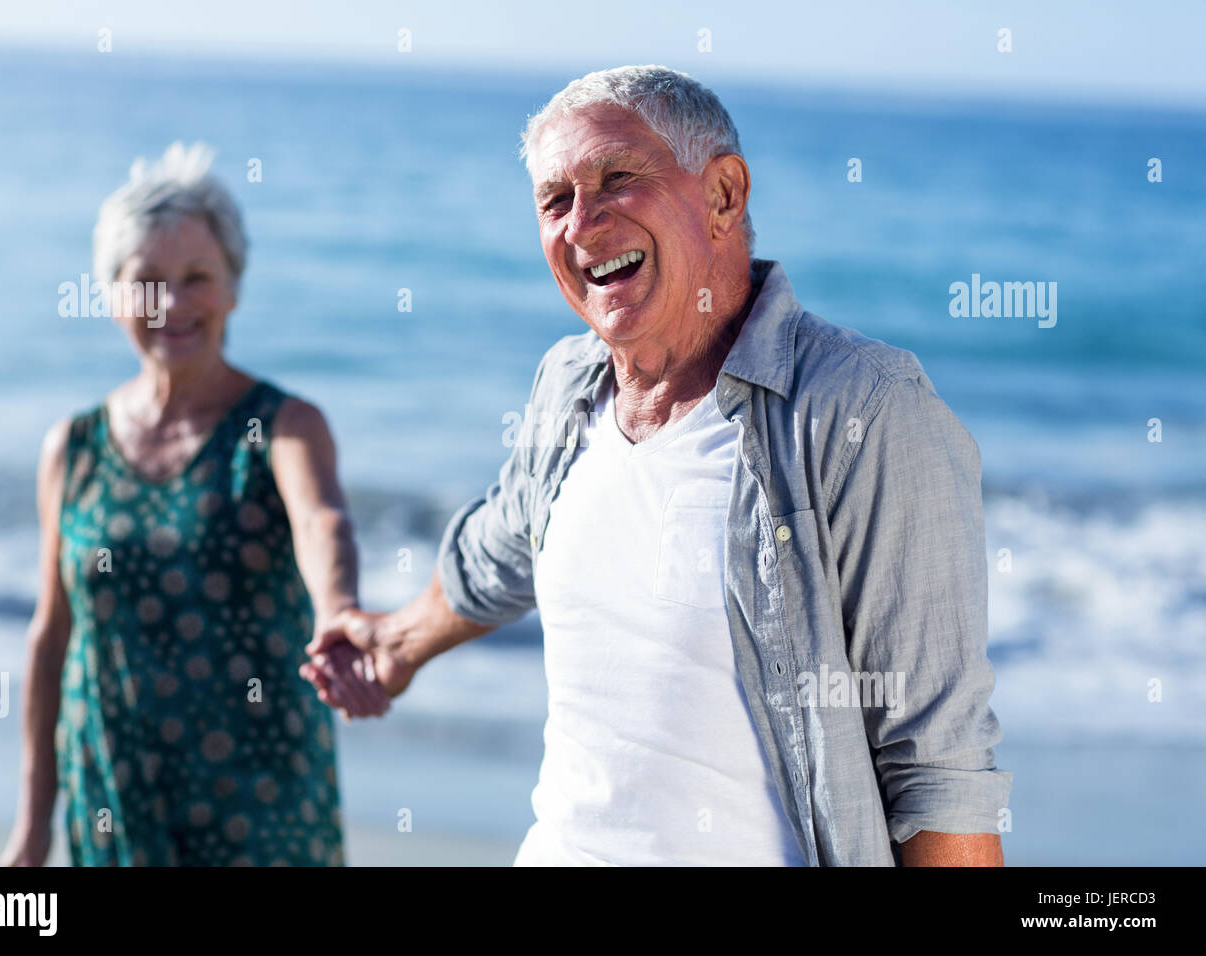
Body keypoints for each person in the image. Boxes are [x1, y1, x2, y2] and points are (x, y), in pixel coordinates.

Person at [304, 66, 1011, 866]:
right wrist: (393, 647)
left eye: (617, 179)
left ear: (723, 196)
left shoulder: (862, 410)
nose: (582, 224)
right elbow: (498, 555)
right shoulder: (567, 388)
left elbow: (938, 771)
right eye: (554, 201)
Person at [0, 142, 387, 867]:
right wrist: (31, 828)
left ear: (234, 287)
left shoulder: (283, 425)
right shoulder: (73, 448)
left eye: (197, 278)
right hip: (112, 795)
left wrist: (338, 609)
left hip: (260, 806)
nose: (172, 304)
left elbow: (321, 519)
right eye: (147, 281)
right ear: (111, 295)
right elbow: (51, 639)